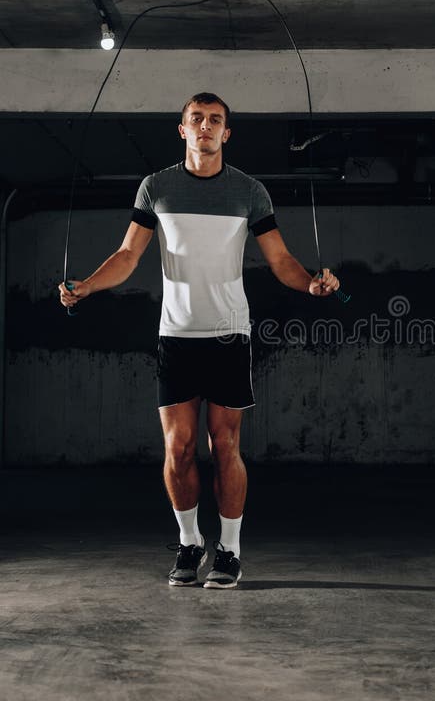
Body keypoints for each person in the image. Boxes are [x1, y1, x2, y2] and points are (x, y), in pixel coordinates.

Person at [59, 92, 340, 589]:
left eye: (215, 120)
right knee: (179, 448)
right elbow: (127, 255)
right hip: (176, 334)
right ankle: (190, 543)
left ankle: (229, 551)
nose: (205, 126)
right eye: (197, 119)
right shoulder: (156, 187)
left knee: (224, 444)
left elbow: (280, 260)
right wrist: (86, 286)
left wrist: (311, 284)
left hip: (229, 333)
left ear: (226, 133)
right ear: (183, 129)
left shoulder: (249, 191)